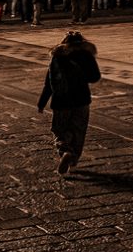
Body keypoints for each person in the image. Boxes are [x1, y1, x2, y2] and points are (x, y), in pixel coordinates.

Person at [37, 31, 101, 176]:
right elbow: (95, 77)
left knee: (59, 130)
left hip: (61, 101)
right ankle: (73, 162)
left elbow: (49, 83)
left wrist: (42, 103)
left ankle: (65, 150)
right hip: (82, 100)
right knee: (78, 131)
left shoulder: (57, 56)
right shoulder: (86, 55)